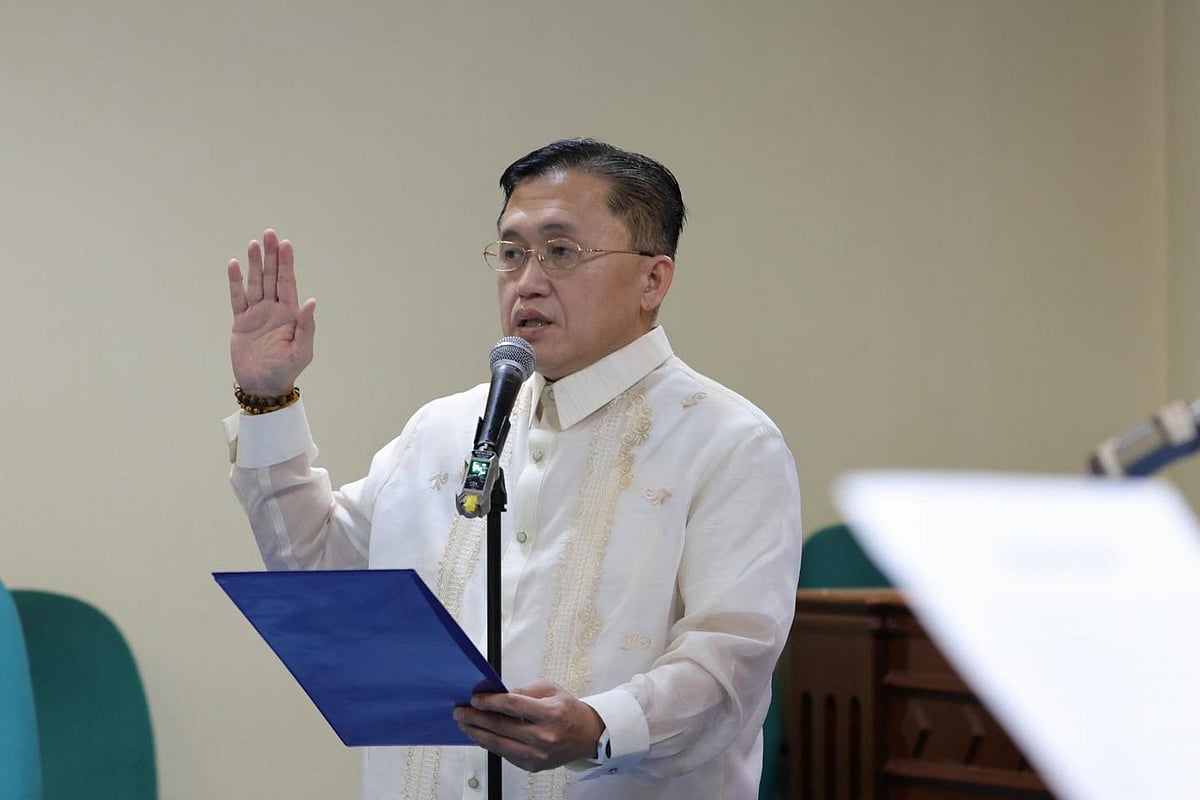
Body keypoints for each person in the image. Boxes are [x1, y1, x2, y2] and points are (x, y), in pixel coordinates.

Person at [223, 138, 803, 799]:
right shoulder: (443, 430)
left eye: (561, 251)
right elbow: (318, 576)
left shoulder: (729, 443)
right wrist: (267, 400)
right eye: (512, 252)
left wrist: (594, 725)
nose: (527, 280)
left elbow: (731, 661)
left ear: (653, 279)